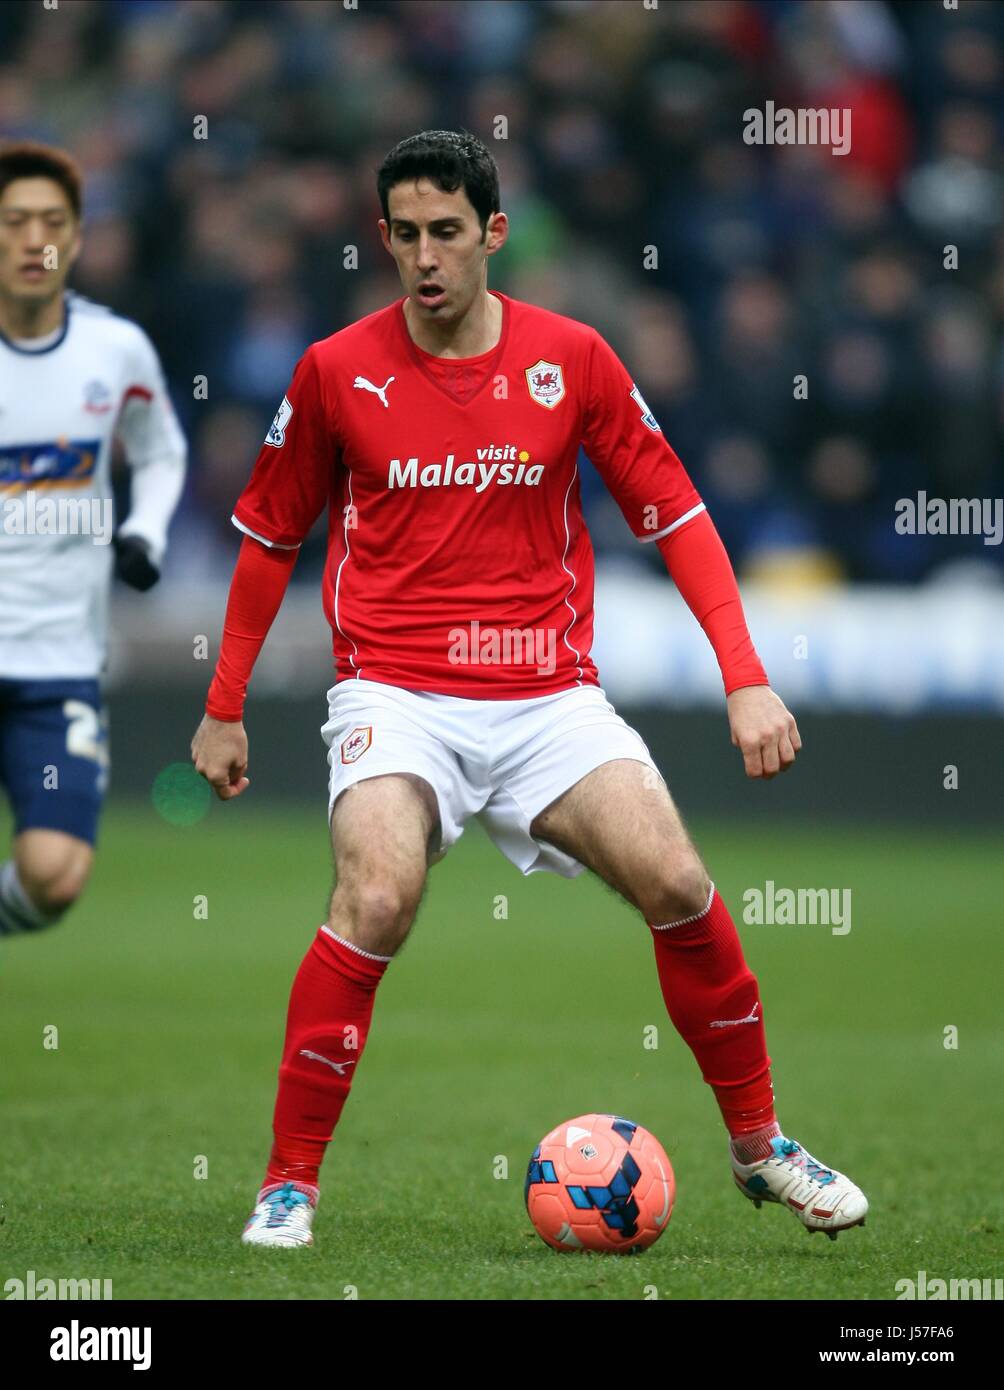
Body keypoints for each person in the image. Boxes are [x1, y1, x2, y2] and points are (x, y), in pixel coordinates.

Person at [191, 130, 866, 1249]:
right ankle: (286, 1185)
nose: (424, 257)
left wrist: (745, 680)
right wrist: (223, 704)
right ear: (384, 239)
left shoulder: (575, 358)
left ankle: (760, 1149)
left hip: (546, 695)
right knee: (374, 899)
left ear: (492, 234)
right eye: (403, 235)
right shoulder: (332, 370)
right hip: (393, 693)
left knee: (680, 882)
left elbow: (678, 514)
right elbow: (268, 538)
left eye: (446, 233)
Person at [0, 141, 186, 938]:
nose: (33, 240)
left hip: (58, 662)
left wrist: (144, 531)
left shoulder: (116, 349)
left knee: (56, 877)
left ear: (75, 239)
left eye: (52, 222)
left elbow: (161, 448)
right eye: (14, 222)